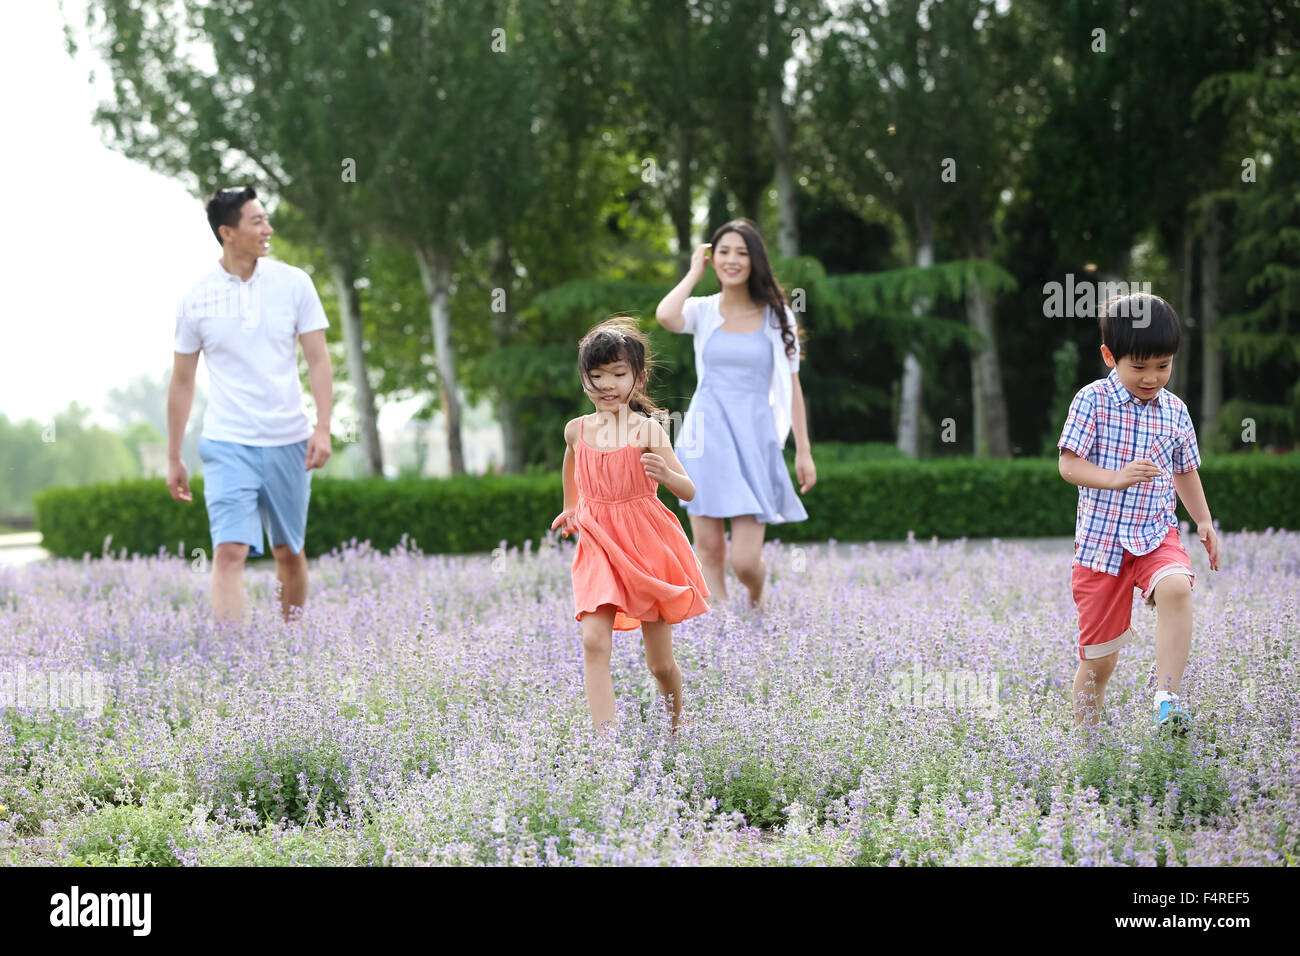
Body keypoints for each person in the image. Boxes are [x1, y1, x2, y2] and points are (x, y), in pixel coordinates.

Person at [166, 186, 335, 624]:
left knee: (289, 552)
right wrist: (174, 455)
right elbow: (182, 382)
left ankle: (291, 647)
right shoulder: (196, 300)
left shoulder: (294, 283)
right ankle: (231, 667)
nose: (268, 229)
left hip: (289, 439)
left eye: (266, 219)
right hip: (227, 441)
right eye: (256, 221)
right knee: (228, 551)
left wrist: (322, 428)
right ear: (227, 232)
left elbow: (318, 359)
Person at [1057, 293, 1220, 732]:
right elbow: (1068, 464)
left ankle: (1167, 700)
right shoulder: (1092, 401)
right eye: (1140, 367)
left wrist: (1203, 521)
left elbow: (1185, 471)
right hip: (1101, 546)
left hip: (1155, 533)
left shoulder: (1175, 411)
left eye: (1163, 366)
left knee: (1176, 588)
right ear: (1110, 356)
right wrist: (1116, 476)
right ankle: (1085, 748)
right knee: (1100, 662)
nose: (1152, 378)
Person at [551, 318, 710, 734]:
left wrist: (667, 476)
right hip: (598, 541)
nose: (607, 384)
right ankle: (607, 747)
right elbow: (571, 464)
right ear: (584, 378)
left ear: (637, 378)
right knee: (593, 641)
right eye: (596, 375)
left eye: (618, 374)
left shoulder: (648, 431)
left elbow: (689, 490)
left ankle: (678, 725)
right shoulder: (576, 430)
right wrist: (572, 507)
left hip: (645, 546)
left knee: (659, 664)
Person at [654, 218, 815, 611]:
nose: (731, 260)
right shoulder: (704, 310)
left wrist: (803, 451)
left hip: (756, 440)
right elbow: (665, 315)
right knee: (708, 553)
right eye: (723, 251)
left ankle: (757, 596)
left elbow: (793, 387)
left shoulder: (779, 317)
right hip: (706, 437)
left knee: (744, 562)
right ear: (714, 259)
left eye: (741, 252)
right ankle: (725, 635)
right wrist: (694, 272)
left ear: (754, 260)